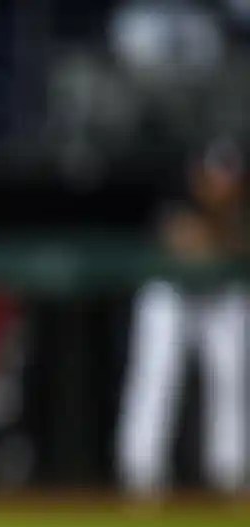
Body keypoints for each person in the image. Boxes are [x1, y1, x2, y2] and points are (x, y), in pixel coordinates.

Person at [116, 138, 248, 500]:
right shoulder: (174, 197)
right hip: (170, 294)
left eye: (229, 178)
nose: (222, 185)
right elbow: (186, 241)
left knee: (232, 376)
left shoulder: (237, 209)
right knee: (157, 375)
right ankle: (141, 472)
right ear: (199, 177)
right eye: (215, 176)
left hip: (221, 295)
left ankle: (232, 471)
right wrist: (219, 238)